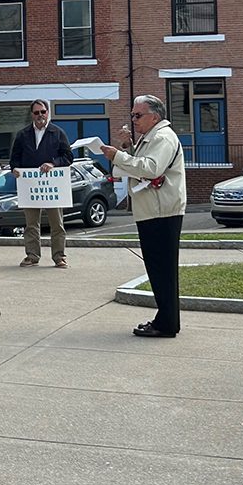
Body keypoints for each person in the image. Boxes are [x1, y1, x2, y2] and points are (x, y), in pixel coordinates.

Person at [102, 95, 187, 338]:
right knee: (158, 269)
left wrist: (117, 155)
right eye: (132, 115)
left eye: (138, 115)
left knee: (163, 270)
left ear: (155, 116)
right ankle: (165, 319)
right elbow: (139, 164)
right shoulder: (150, 138)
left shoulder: (162, 137)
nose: (133, 120)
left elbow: (151, 168)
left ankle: (167, 324)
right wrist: (128, 147)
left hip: (162, 212)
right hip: (153, 211)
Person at [10, 99, 74, 269]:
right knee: (31, 224)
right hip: (30, 186)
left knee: (57, 225)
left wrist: (53, 163)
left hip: (52, 186)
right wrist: (15, 169)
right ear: (32, 114)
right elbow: (14, 158)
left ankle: (59, 257)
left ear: (48, 113)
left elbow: (68, 157)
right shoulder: (23, 135)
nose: (40, 115)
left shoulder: (58, 133)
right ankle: (32, 256)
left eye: (43, 112)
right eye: (37, 112)